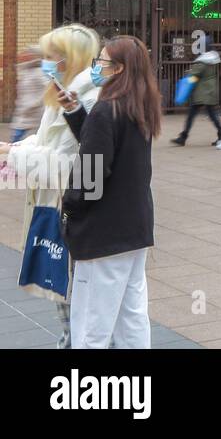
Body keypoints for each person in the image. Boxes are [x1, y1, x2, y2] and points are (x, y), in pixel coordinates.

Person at [0, 24, 101, 348]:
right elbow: (49, 145)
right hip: (58, 205)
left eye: (52, 55)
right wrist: (15, 150)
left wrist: (15, 154)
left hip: (72, 209)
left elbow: (75, 167)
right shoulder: (63, 93)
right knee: (65, 293)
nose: (46, 61)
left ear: (68, 58)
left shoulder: (86, 97)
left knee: (73, 292)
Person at [57, 35, 159, 349]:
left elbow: (91, 174)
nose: (97, 67)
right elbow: (105, 146)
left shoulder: (107, 110)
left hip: (103, 234)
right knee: (132, 318)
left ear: (119, 69)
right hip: (134, 228)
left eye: (102, 61)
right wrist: (77, 113)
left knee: (91, 325)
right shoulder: (139, 106)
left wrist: (69, 208)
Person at [172, 49, 221, 146]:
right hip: (210, 91)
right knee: (212, 115)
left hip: (201, 93)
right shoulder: (214, 60)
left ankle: (183, 137)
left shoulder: (202, 62)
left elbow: (193, 75)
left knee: (191, 116)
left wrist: (188, 73)